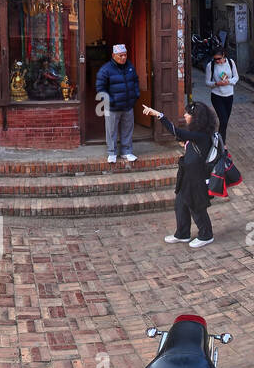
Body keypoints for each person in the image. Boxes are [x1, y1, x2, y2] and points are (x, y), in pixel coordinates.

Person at [142, 100, 219, 246]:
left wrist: (159, 115)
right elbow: (185, 139)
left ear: (195, 117)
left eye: (187, 113)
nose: (184, 115)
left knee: (196, 206)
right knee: (180, 203)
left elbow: (175, 132)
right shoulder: (196, 133)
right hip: (187, 173)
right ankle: (183, 233)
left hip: (197, 176)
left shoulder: (201, 134)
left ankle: (206, 235)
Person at [95, 42, 143, 165]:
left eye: (125, 55)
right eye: (120, 55)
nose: (123, 58)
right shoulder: (106, 69)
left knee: (127, 129)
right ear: (113, 55)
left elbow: (135, 81)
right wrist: (111, 101)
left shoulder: (130, 67)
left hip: (127, 105)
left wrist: (135, 95)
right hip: (112, 107)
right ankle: (112, 153)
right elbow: (100, 88)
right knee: (111, 130)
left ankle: (126, 151)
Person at [213, 44, 238, 145]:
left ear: (224, 55)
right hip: (216, 96)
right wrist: (216, 83)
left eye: (219, 58)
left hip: (229, 96)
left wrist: (229, 81)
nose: (217, 61)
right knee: (223, 120)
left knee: (225, 121)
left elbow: (236, 77)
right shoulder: (211, 65)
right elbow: (207, 82)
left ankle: (219, 139)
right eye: (215, 59)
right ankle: (222, 143)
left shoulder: (231, 63)